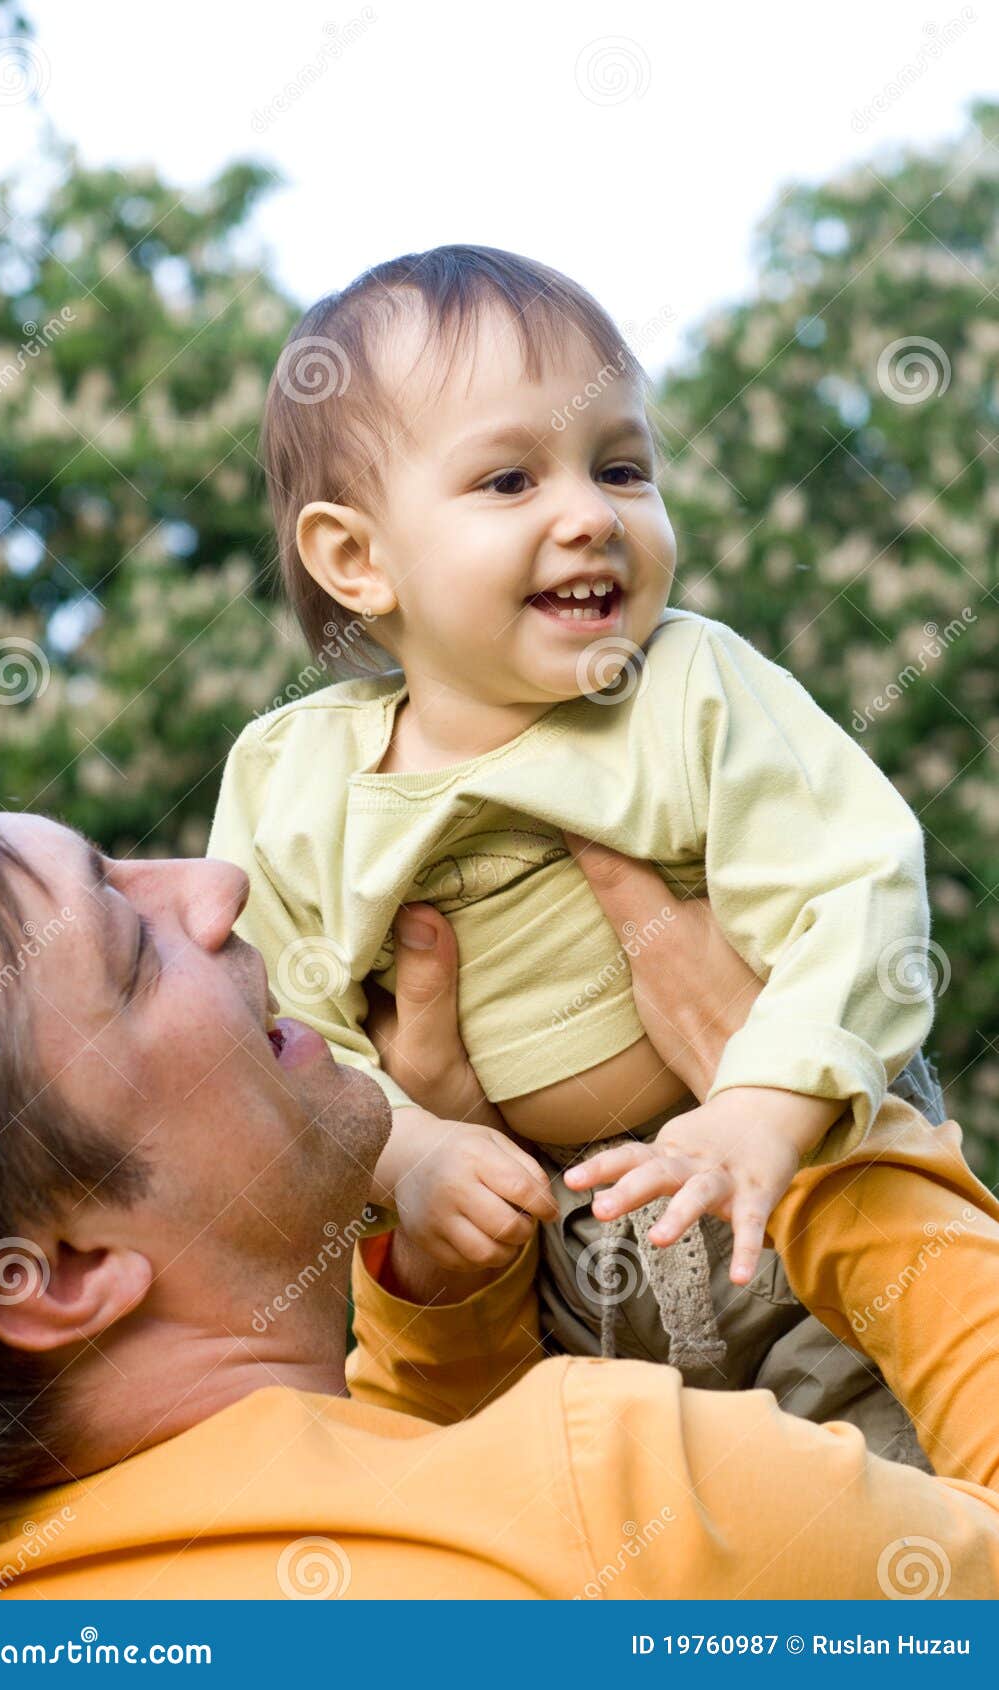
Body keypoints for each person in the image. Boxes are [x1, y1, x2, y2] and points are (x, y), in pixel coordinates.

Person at [0, 765, 997, 1601]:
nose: (216, 885)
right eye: (132, 953)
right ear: (61, 1271)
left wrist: (450, 1301)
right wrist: (804, 1132)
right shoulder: (642, 1513)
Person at [207, 242, 946, 1443]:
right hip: (548, 1246)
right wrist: (416, 1153)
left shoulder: (691, 688)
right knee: (586, 1524)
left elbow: (856, 884)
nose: (590, 515)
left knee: (889, 1488)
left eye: (622, 466)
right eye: (509, 480)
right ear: (357, 558)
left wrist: (764, 1104)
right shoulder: (296, 780)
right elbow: (288, 1033)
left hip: (790, 1187)